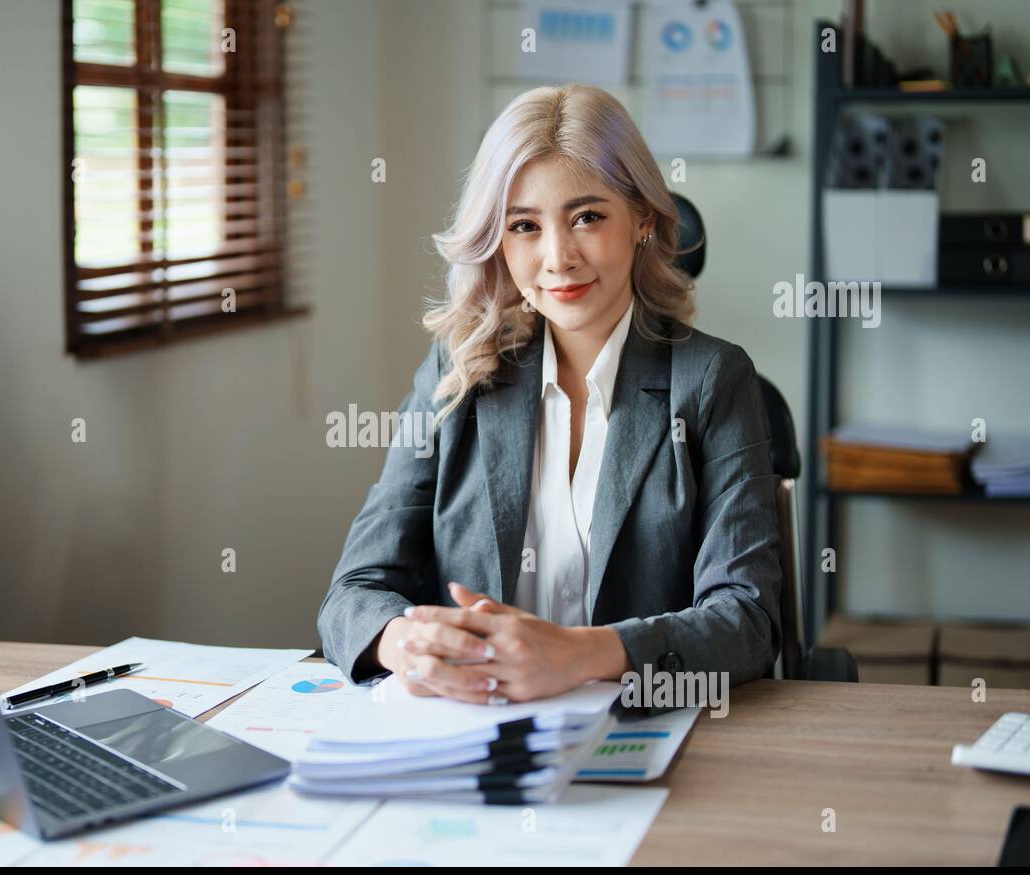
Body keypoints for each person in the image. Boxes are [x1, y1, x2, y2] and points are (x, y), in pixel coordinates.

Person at [318, 84, 783, 704]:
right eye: (525, 227)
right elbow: (353, 594)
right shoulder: (457, 371)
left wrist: (582, 656)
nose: (558, 257)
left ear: (643, 217)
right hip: (475, 728)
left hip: (641, 731)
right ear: (497, 240)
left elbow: (747, 622)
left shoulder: (712, 379)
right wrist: (406, 642)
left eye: (587, 217)